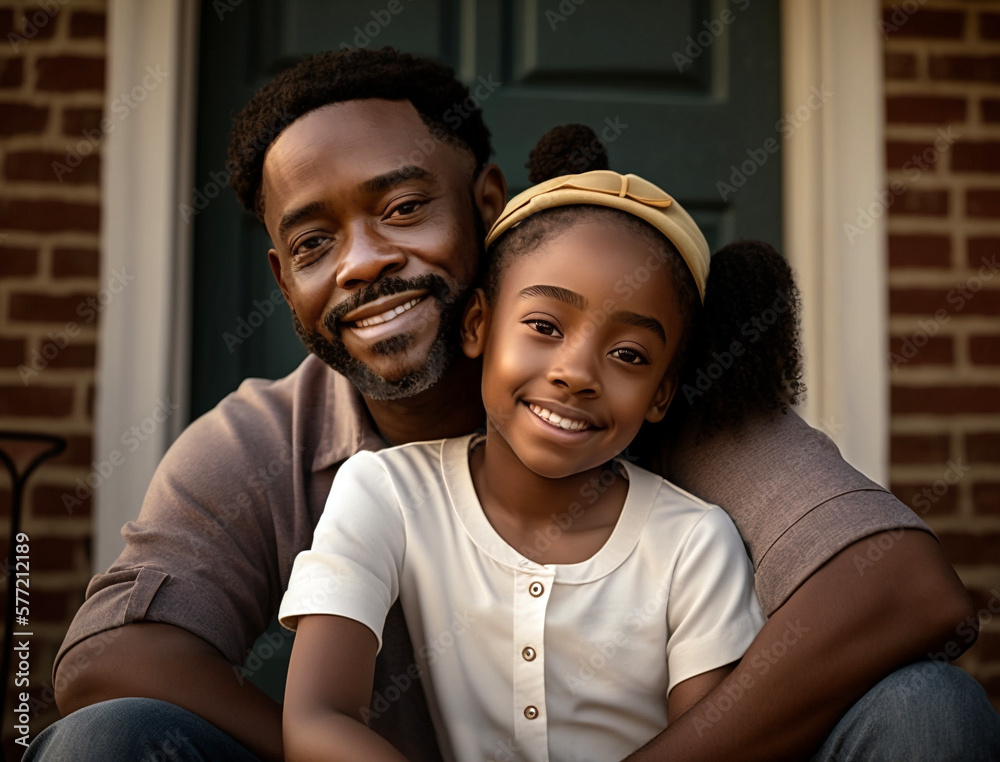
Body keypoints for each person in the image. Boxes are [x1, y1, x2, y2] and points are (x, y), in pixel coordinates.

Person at [28, 47, 999, 762]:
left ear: (486, 200)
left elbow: (897, 584)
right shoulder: (265, 447)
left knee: (927, 712)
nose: (364, 261)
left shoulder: (662, 403)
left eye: (404, 208)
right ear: (284, 282)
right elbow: (104, 660)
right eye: (316, 242)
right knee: (103, 743)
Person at [278, 167, 768, 762]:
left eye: (628, 355)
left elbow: (710, 747)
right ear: (478, 324)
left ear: (661, 393)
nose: (577, 373)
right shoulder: (387, 492)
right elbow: (316, 720)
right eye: (543, 326)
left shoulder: (695, 544)